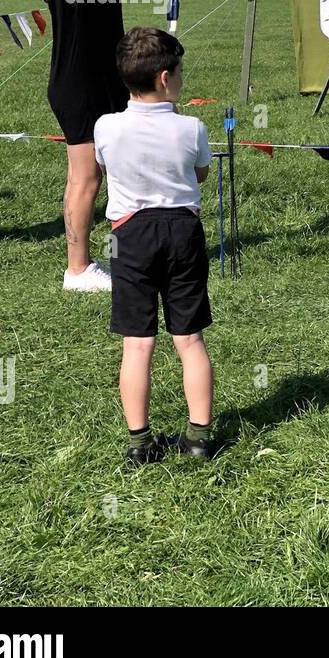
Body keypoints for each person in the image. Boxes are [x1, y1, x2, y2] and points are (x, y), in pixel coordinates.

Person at [34, 0, 180, 292]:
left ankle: (131, 250)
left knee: (99, 173)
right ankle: (77, 270)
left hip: (105, 82)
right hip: (78, 87)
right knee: (86, 178)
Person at [94, 26, 217, 465]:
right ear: (165, 78)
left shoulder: (106, 126)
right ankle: (199, 438)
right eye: (180, 71)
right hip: (183, 232)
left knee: (137, 343)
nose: (183, 78)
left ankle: (140, 444)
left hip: (128, 237)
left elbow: (106, 166)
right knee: (190, 339)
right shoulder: (192, 126)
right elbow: (199, 174)